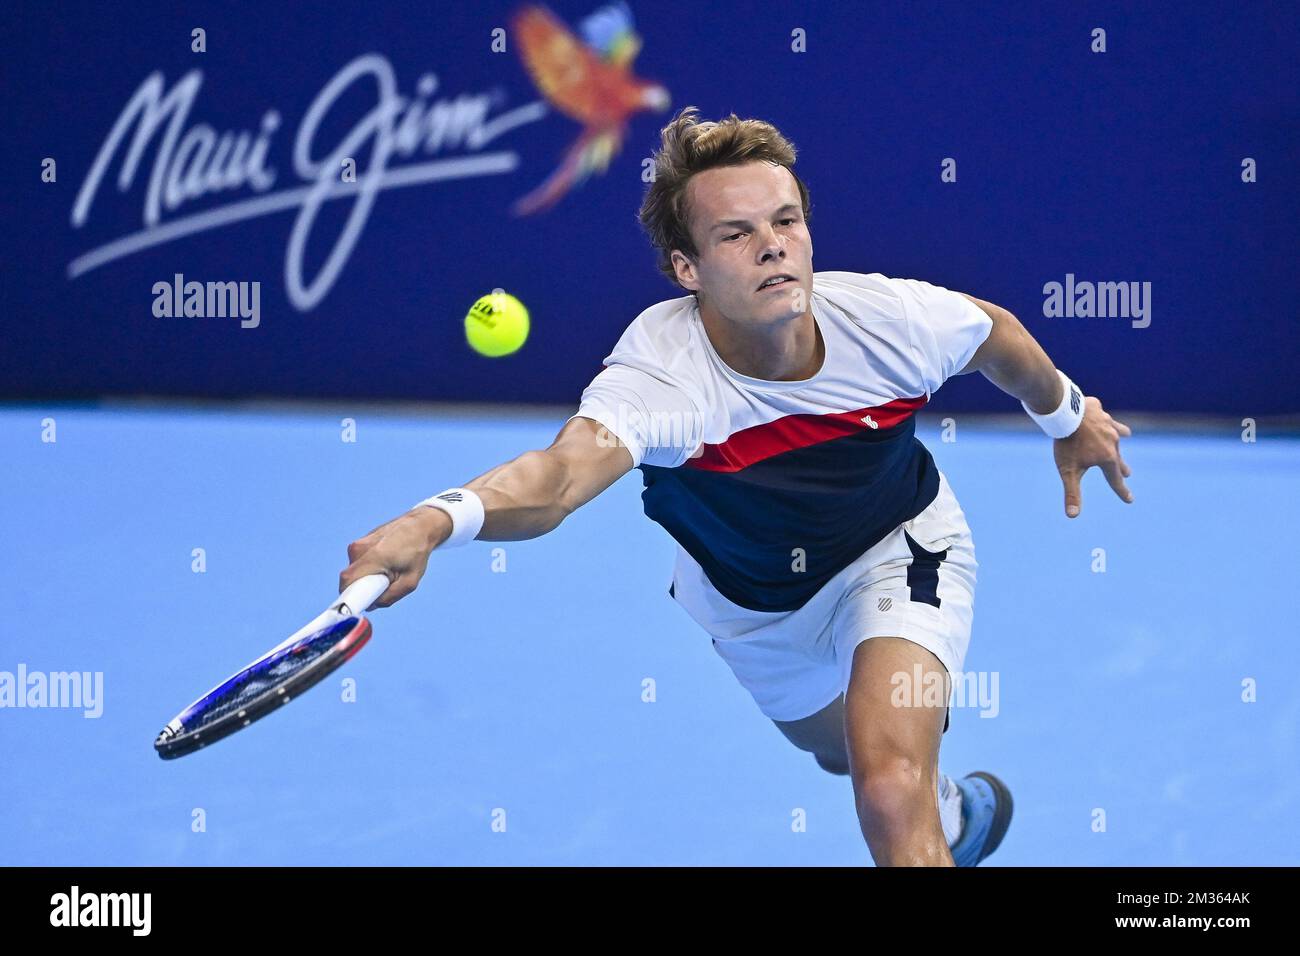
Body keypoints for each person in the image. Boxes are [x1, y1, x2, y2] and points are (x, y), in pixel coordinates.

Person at [340, 106, 1134, 866]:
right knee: (841, 757)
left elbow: (994, 331)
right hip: (755, 613)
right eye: (737, 233)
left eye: (786, 221)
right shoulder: (663, 376)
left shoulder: (889, 322)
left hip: (898, 548)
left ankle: (916, 790)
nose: (773, 248)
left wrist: (1068, 416)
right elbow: (559, 477)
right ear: (687, 268)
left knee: (887, 787)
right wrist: (437, 519)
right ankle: (951, 814)